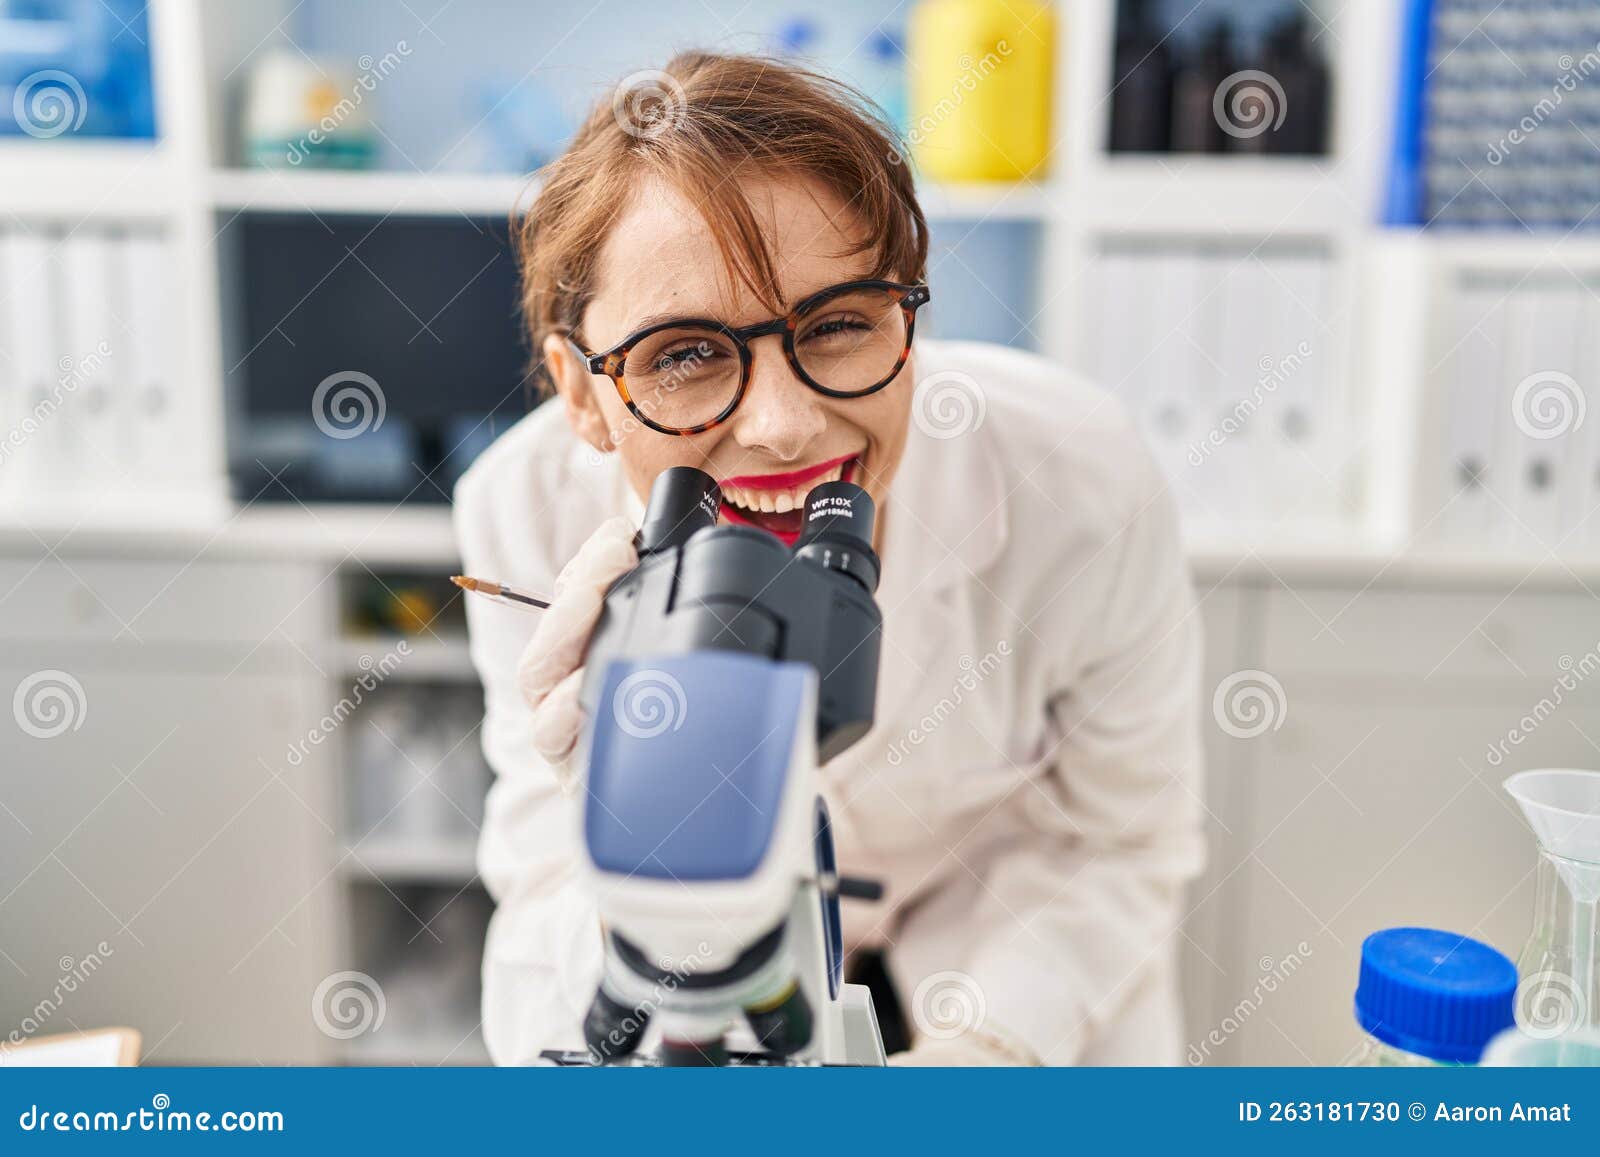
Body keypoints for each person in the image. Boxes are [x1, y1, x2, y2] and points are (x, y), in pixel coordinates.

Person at [454, 51, 1205, 1066]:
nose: (780, 424)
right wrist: (621, 834)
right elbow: (543, 900)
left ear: (905, 310)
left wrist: (985, 1051)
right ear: (581, 395)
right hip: (728, 985)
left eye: (838, 323)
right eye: (684, 354)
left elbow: (1122, 841)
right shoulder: (522, 506)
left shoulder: (1075, 478)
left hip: (1009, 960)